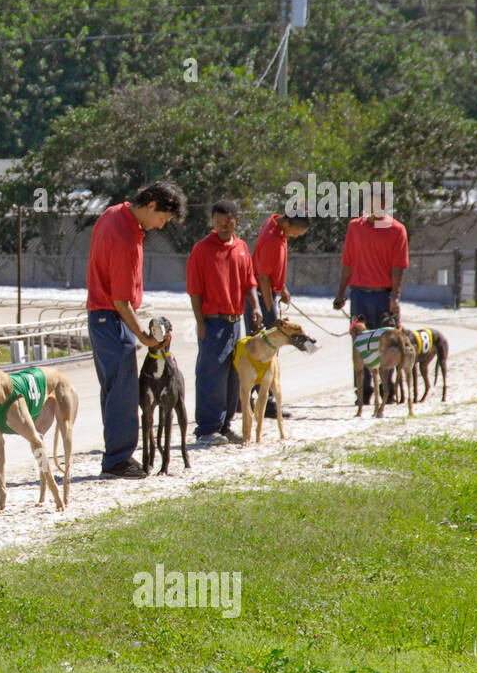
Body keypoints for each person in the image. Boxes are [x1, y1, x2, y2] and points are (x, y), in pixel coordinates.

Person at [86, 179, 187, 479]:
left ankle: (115, 454)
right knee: (123, 391)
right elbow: (121, 300)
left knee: (114, 387)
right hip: (111, 317)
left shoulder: (113, 213)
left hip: (100, 316)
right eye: (163, 219)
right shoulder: (126, 238)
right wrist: (143, 335)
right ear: (152, 205)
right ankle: (117, 460)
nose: (160, 226)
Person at [187, 200, 261, 446]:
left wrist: (256, 307)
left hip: (234, 322)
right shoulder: (201, 249)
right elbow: (195, 291)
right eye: (217, 224)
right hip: (212, 322)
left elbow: (250, 282)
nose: (222, 228)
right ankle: (207, 429)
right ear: (213, 222)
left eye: (227, 224)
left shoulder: (241, 247)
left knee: (232, 375)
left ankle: (225, 425)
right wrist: (200, 323)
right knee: (211, 374)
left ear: (236, 221)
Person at [332, 210, 409, 405]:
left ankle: (387, 389)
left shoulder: (396, 229)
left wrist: (395, 298)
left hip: (384, 295)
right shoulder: (355, 227)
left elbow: (398, 266)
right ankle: (363, 390)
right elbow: (347, 262)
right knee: (361, 344)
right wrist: (341, 293)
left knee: (387, 343)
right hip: (359, 294)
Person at [244, 212, 310, 418]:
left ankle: (259, 398)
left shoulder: (277, 227)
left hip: (269, 293)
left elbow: (272, 270)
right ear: (288, 223)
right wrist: (270, 314)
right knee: (267, 349)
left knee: (265, 349)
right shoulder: (272, 238)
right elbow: (263, 277)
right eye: (297, 232)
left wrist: (283, 288)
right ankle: (267, 401)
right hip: (263, 296)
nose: (297, 236)